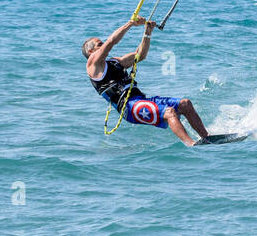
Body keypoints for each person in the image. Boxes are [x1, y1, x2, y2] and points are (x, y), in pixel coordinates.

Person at [82, 18, 210, 146]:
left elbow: (140, 55)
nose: (103, 45)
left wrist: (147, 33)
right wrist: (130, 23)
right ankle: (191, 144)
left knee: (185, 104)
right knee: (169, 112)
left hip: (140, 99)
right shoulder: (92, 66)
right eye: (100, 44)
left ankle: (207, 138)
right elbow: (111, 41)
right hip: (129, 107)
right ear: (91, 52)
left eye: (102, 43)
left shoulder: (115, 62)